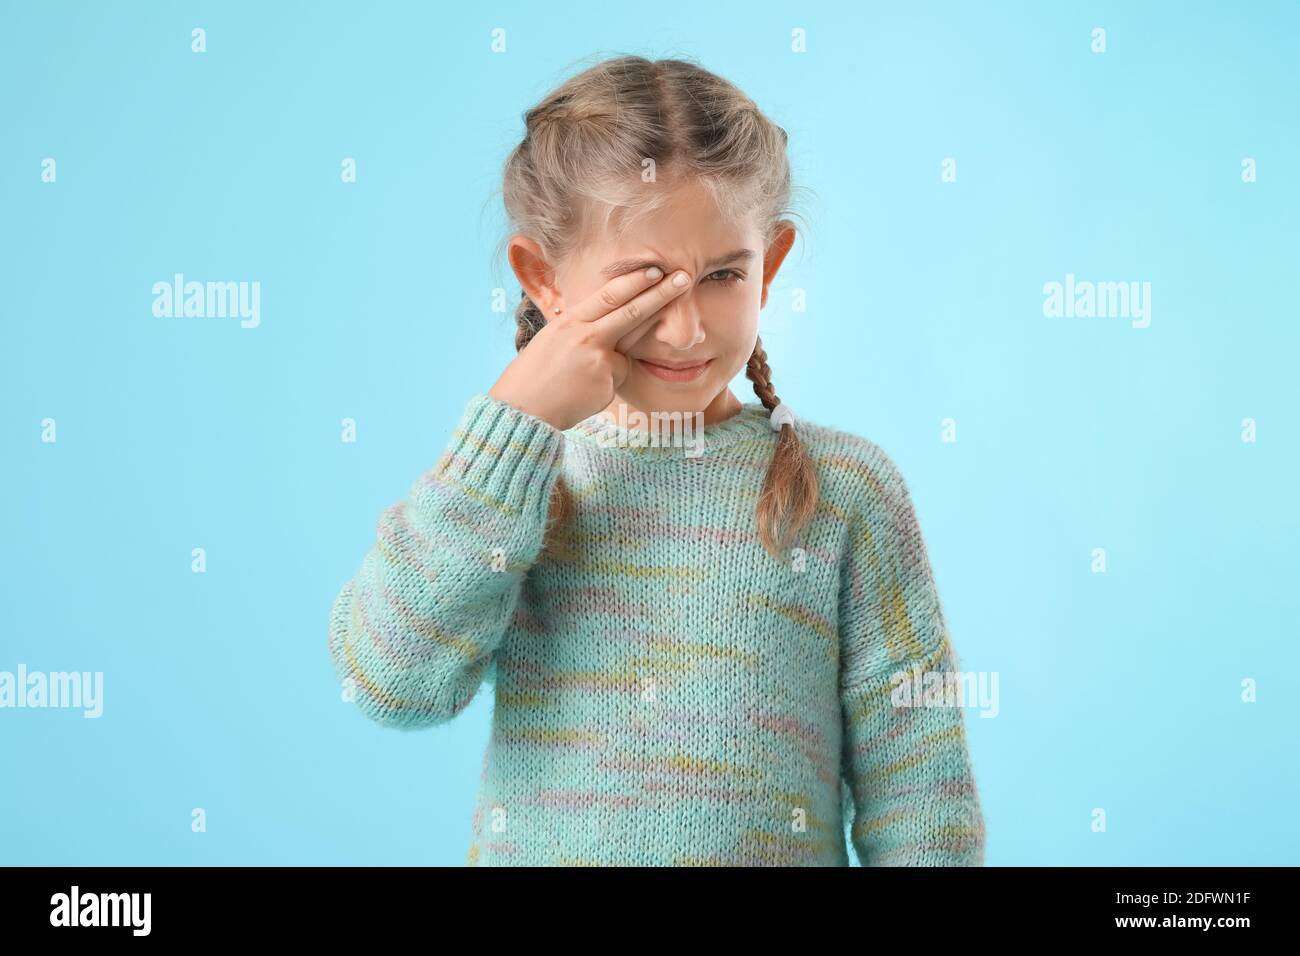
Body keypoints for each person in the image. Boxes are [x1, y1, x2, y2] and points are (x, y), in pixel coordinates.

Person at [327, 54, 985, 866]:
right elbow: (393, 683)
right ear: (543, 279)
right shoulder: (511, 485)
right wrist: (513, 424)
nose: (685, 330)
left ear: (771, 266)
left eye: (723, 276)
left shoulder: (845, 491)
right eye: (644, 285)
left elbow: (920, 794)